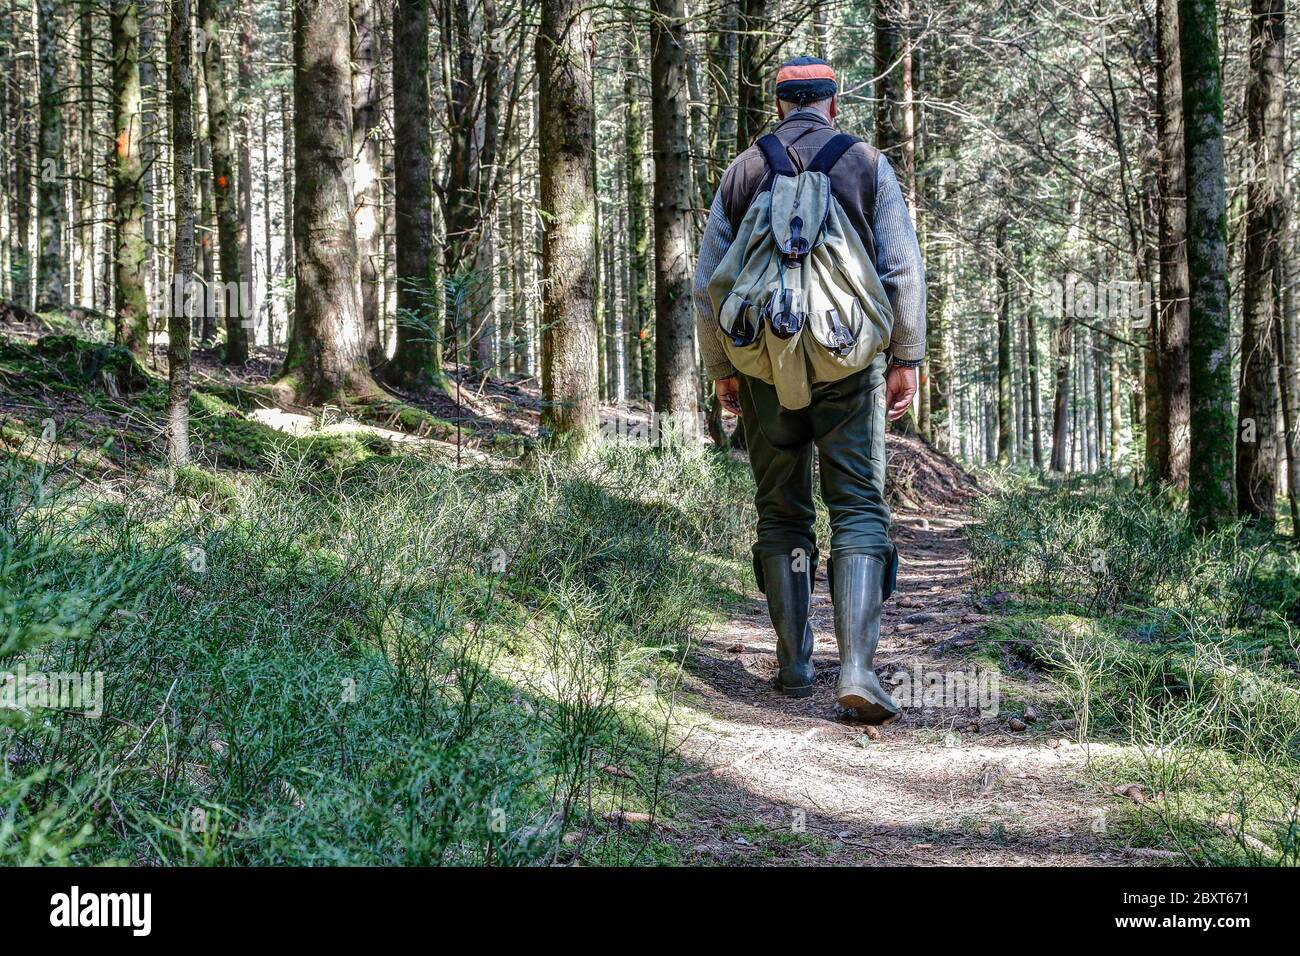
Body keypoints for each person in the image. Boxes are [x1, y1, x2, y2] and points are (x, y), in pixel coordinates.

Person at [692, 56, 926, 722]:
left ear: (778, 105)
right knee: (857, 507)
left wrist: (724, 371)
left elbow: (708, 283)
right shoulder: (865, 165)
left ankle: (794, 666)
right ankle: (855, 669)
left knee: (782, 510)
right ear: (833, 104)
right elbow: (902, 269)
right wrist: (905, 355)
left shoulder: (743, 171)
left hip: (764, 367)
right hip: (850, 367)